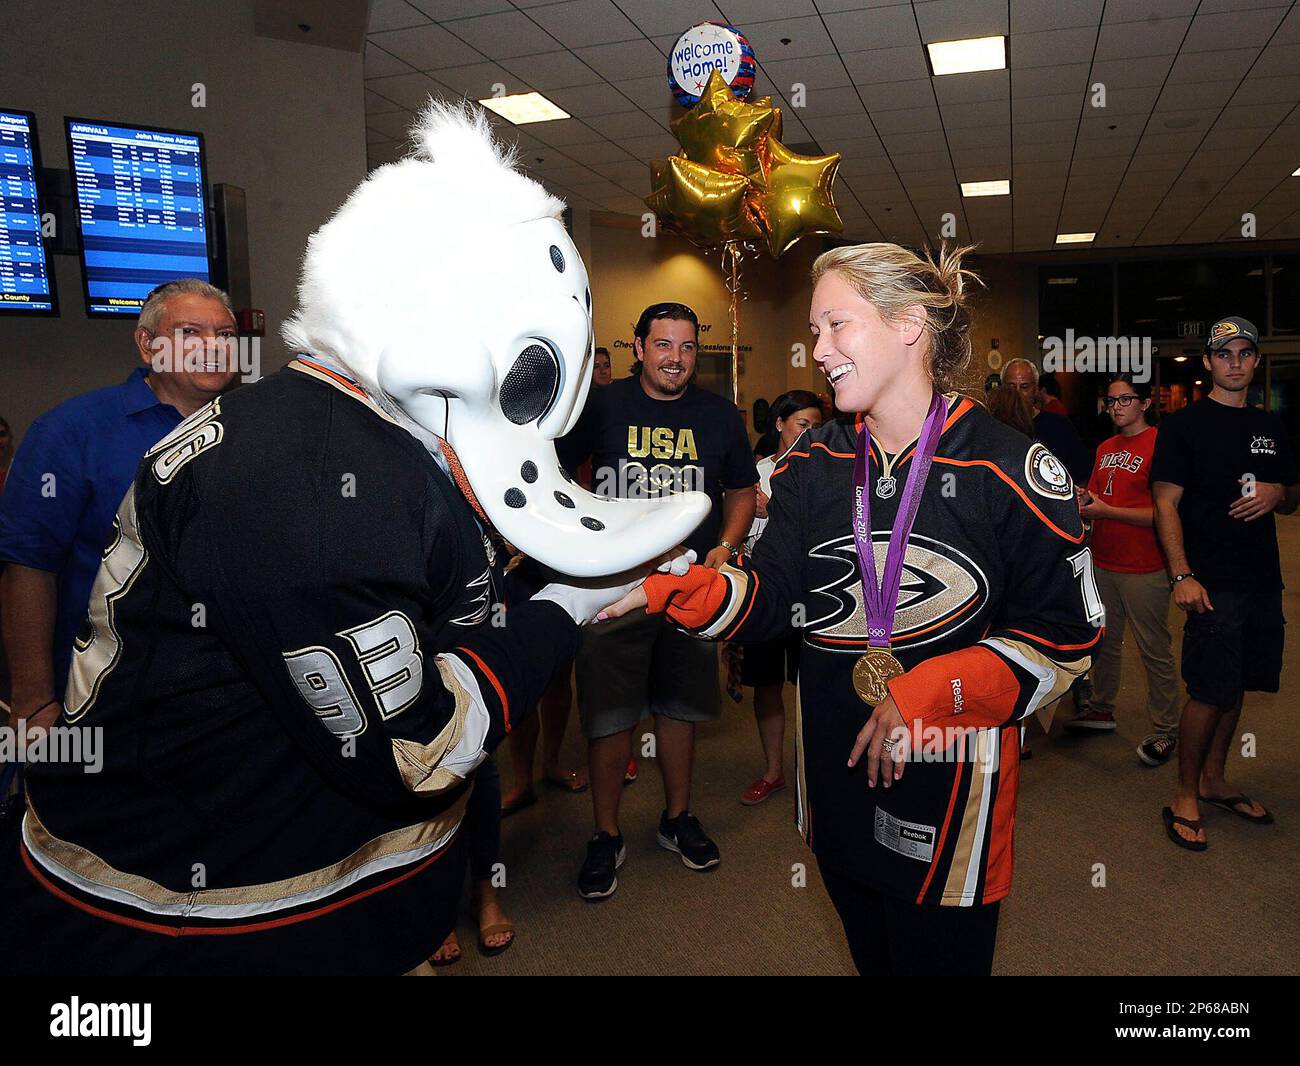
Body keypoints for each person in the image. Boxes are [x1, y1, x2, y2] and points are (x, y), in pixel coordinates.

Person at [0, 103, 707, 975]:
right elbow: (417, 746)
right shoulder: (311, 480)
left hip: (316, 892)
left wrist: (555, 585)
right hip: (200, 925)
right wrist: (564, 608)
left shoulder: (349, 435)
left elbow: (444, 611)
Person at [602, 242, 1100, 975]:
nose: (818, 350)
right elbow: (773, 598)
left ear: (909, 325)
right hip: (834, 777)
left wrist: (935, 691)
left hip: (946, 782)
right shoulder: (814, 464)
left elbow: (1068, 639)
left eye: (836, 326)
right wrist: (683, 591)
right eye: (813, 331)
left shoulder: (1010, 469)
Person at [558, 301, 758, 900]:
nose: (676, 358)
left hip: (689, 591)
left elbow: (742, 491)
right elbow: (560, 477)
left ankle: (676, 818)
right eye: (664, 345)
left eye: (688, 346)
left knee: (679, 709)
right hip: (614, 589)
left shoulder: (720, 416)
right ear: (638, 347)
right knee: (610, 716)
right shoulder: (602, 407)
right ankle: (605, 833)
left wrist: (724, 548)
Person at [0, 280, 238, 732]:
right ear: (147, 345)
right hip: (101, 699)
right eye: (190, 333)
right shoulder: (72, 430)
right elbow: (29, 566)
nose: (214, 347)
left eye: (225, 335)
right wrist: (31, 702)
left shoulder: (255, 429)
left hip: (223, 700)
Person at [1151, 316, 1298, 851]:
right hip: (1210, 582)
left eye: (1245, 353)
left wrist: (1278, 492)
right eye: (1224, 354)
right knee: (1209, 690)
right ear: (1209, 362)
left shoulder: (1271, 426)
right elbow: (1165, 502)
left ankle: (1215, 779)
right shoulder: (1184, 427)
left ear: (1256, 362)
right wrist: (1182, 575)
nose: (1235, 362)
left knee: (1237, 685)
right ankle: (1184, 793)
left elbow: (1294, 494)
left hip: (1262, 578)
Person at [1068, 376, 1179, 766]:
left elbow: (1163, 514)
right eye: (1110, 401)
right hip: (1103, 561)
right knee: (1105, 643)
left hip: (1144, 565)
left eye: (1125, 400)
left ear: (1146, 402)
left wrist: (1106, 510)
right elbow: (1098, 499)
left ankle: (1167, 728)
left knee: (1154, 649)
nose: (1116, 407)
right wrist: (1083, 501)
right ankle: (1101, 707)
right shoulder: (1105, 448)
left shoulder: (1161, 445)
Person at [739, 389, 822, 805]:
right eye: (802, 425)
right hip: (767, 593)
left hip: (814, 596)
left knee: (814, 684)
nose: (810, 434)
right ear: (779, 424)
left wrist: (777, 514)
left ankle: (819, 768)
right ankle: (773, 771)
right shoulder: (757, 474)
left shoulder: (828, 471)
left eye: (816, 426)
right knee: (767, 685)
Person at [1001, 358, 1091, 485]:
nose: (1017, 393)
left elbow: (1081, 477)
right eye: (1011, 386)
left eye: (1024, 387)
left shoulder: (1059, 426)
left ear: (1036, 390)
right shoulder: (992, 428)